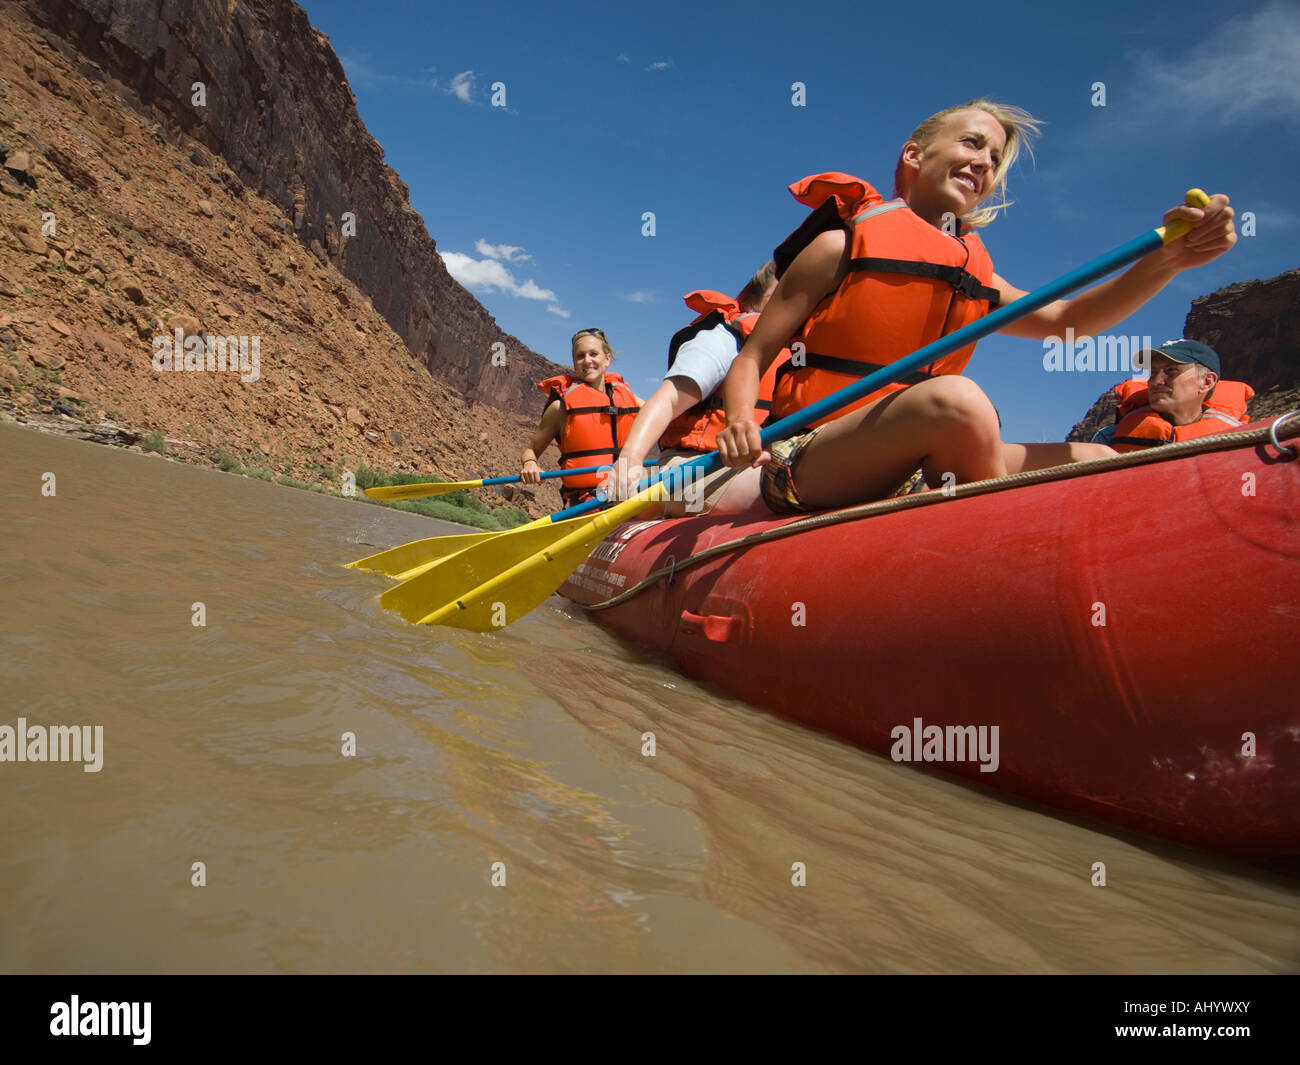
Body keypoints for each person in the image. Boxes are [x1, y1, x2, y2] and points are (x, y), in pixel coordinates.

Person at [716, 100, 1237, 513]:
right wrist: (740, 420)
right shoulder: (839, 246)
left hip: (918, 458)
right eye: (973, 143)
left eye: (995, 160)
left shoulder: (979, 276)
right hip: (806, 456)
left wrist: (1166, 263)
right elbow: (752, 357)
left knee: (1101, 457)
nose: (985, 163)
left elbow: (1068, 324)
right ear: (915, 155)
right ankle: (994, 543)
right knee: (958, 401)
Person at [602, 262, 788, 514]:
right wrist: (630, 459)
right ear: (766, 298)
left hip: (759, 462)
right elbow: (668, 400)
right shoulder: (723, 339)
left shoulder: (801, 351)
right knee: (789, 485)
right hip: (692, 467)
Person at [522, 328, 642, 506]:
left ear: (607, 358)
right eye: (580, 356)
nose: (587, 361)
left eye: (593, 354)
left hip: (628, 496)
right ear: (574, 362)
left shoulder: (632, 402)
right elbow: (530, 450)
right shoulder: (559, 408)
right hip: (587, 501)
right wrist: (530, 464)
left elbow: (668, 410)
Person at [1092, 339, 1254, 451]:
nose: (1156, 381)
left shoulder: (1245, 439)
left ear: (1207, 382)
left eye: (1171, 371)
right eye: (1153, 372)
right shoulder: (1107, 439)